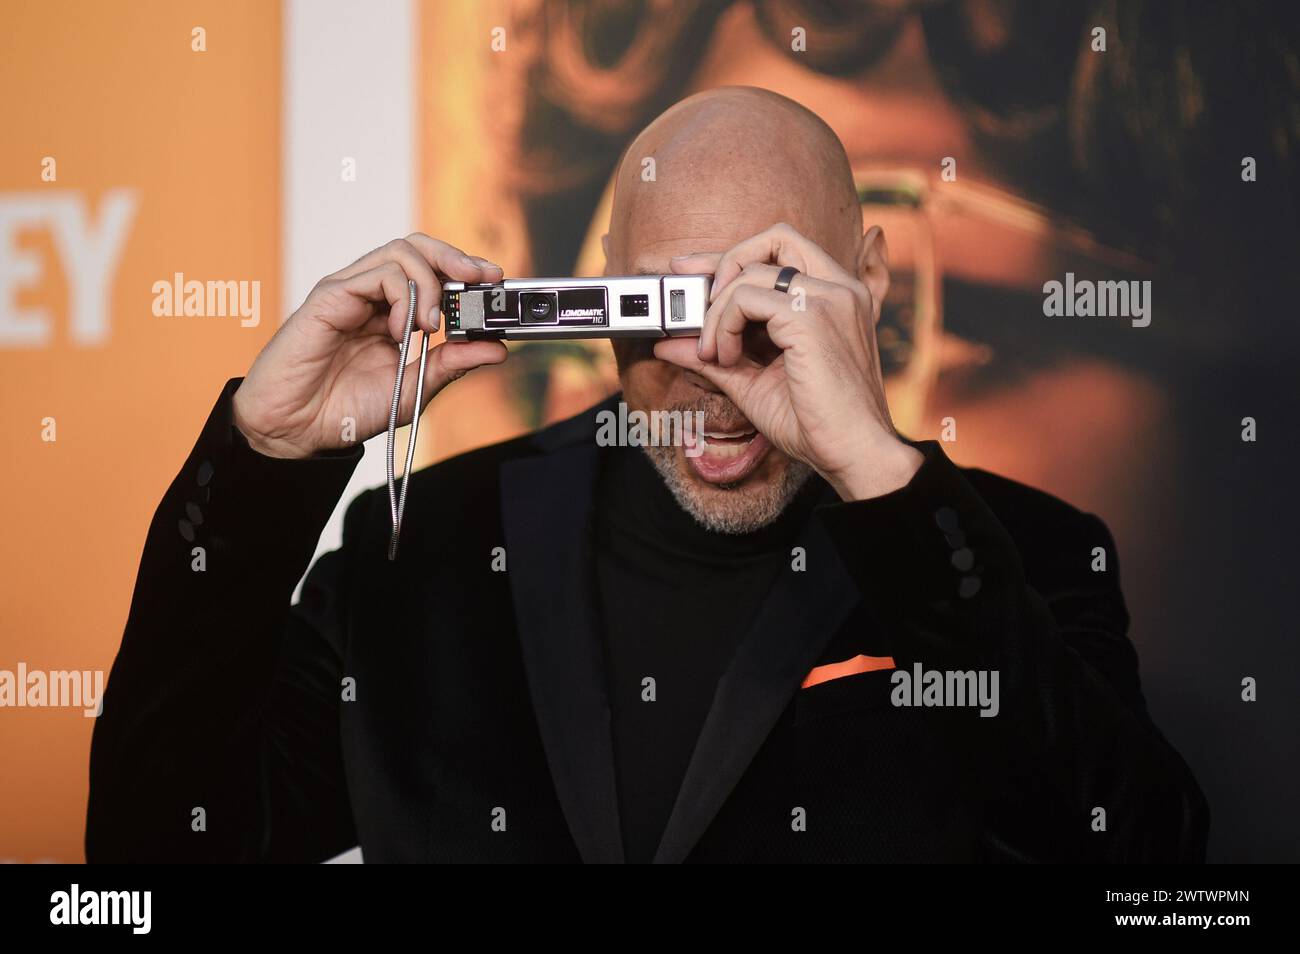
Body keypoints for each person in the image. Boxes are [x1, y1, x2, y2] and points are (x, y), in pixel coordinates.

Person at [87, 87, 1206, 863]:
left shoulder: (1024, 557)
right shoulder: (422, 547)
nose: (716, 369)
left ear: (865, 279)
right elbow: (153, 857)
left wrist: (877, 470)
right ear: (595, 302)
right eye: (661, 311)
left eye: (768, 300)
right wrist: (267, 457)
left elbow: (1149, 869)